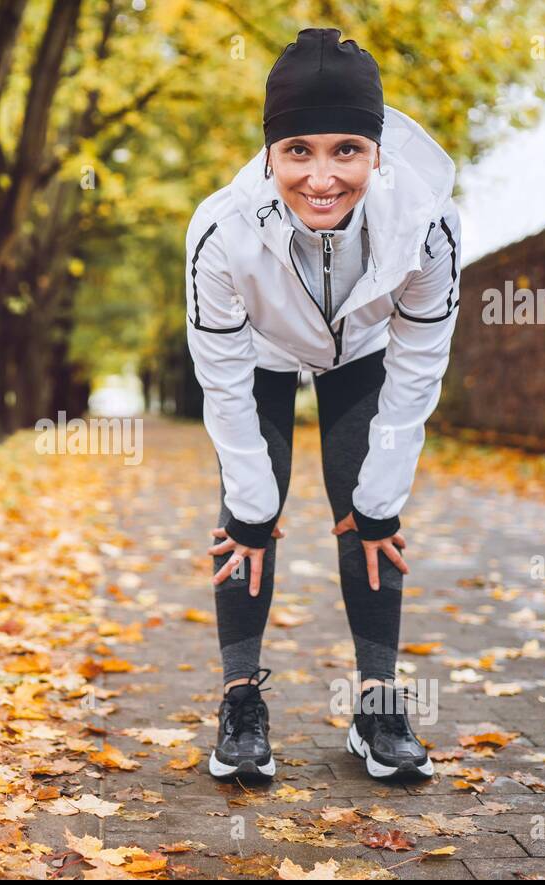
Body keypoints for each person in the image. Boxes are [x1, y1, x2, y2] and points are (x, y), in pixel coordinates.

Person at [184, 27, 461, 783]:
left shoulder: (428, 226)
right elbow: (222, 377)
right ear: (269, 153)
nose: (322, 176)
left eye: (348, 150)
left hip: (364, 349)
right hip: (264, 353)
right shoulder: (219, 232)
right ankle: (240, 702)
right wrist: (249, 502)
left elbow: (419, 363)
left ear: (378, 152)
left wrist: (382, 496)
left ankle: (377, 704)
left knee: (368, 512)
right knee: (249, 510)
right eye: (297, 150)